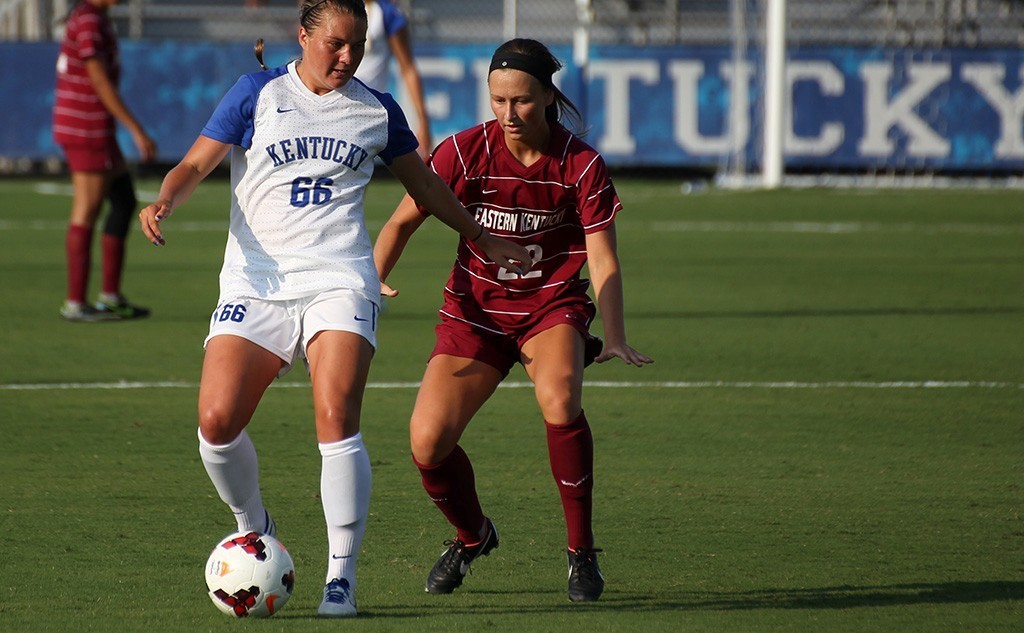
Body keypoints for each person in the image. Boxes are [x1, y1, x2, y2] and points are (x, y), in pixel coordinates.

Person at [137, 0, 530, 618]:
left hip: (340, 278)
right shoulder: (257, 94)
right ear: (303, 37)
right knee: (215, 422)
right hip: (255, 283)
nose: (348, 56)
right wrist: (164, 200)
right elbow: (194, 163)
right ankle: (254, 526)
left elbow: (426, 186)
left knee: (335, 414)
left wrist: (481, 235)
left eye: (359, 44)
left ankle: (339, 579)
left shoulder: (376, 109)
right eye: (336, 43)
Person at [373, 38, 654, 603]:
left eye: (522, 100)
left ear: (547, 96)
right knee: (427, 442)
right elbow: (400, 222)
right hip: (474, 314)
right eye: (498, 100)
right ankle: (472, 536)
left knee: (561, 399)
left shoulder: (580, 163)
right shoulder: (462, 152)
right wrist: (370, 282)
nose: (509, 113)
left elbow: (602, 259)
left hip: (550, 307)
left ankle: (580, 553)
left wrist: (616, 336)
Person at [53, 0, 157, 322]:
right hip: (86, 127)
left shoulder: (93, 17)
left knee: (123, 200)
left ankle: (110, 297)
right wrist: (136, 129)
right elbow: (99, 81)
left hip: (95, 127)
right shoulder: (89, 21)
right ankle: (75, 303)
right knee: (86, 210)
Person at [356, 0, 432, 159]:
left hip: (369, 111)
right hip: (334, 102)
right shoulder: (334, 7)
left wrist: (423, 122)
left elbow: (408, 68)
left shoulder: (386, 13)